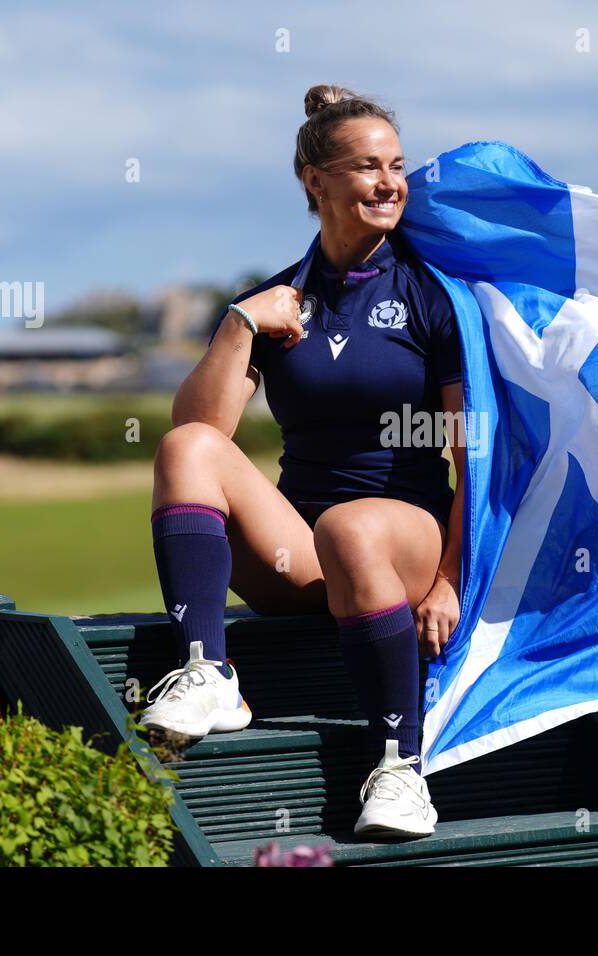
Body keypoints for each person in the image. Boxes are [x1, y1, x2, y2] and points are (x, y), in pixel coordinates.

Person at [139, 84, 467, 840]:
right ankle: (208, 673)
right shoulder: (277, 300)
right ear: (315, 181)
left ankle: (399, 769)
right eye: (366, 167)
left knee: (352, 527)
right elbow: (202, 437)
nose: (390, 183)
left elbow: (470, 455)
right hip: (299, 557)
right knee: (184, 446)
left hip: (401, 547)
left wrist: (450, 578)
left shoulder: (432, 297)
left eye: (397, 165)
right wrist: (240, 324)